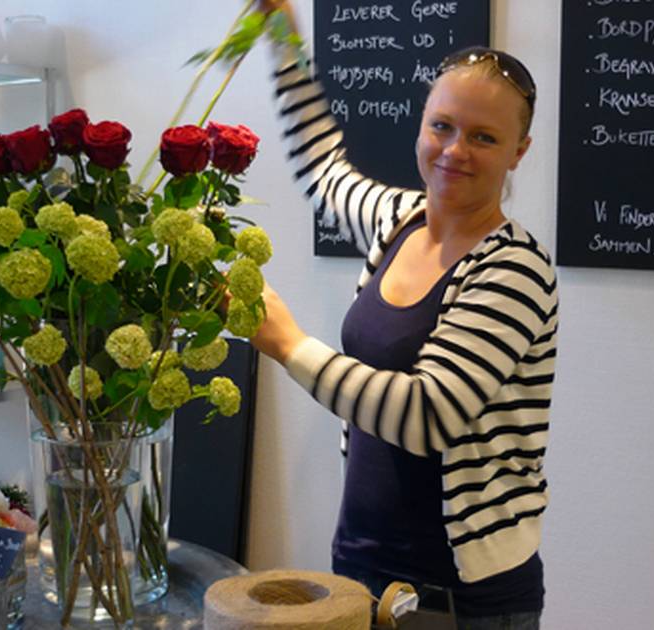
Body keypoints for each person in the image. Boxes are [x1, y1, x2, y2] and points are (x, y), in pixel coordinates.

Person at [248, 3, 558, 628]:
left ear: (519, 152)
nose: (454, 150)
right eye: (441, 126)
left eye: (483, 137)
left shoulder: (515, 269)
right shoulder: (397, 218)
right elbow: (322, 170)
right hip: (361, 571)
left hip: (461, 599)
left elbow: (428, 415)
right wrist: (282, 41)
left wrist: (289, 346)